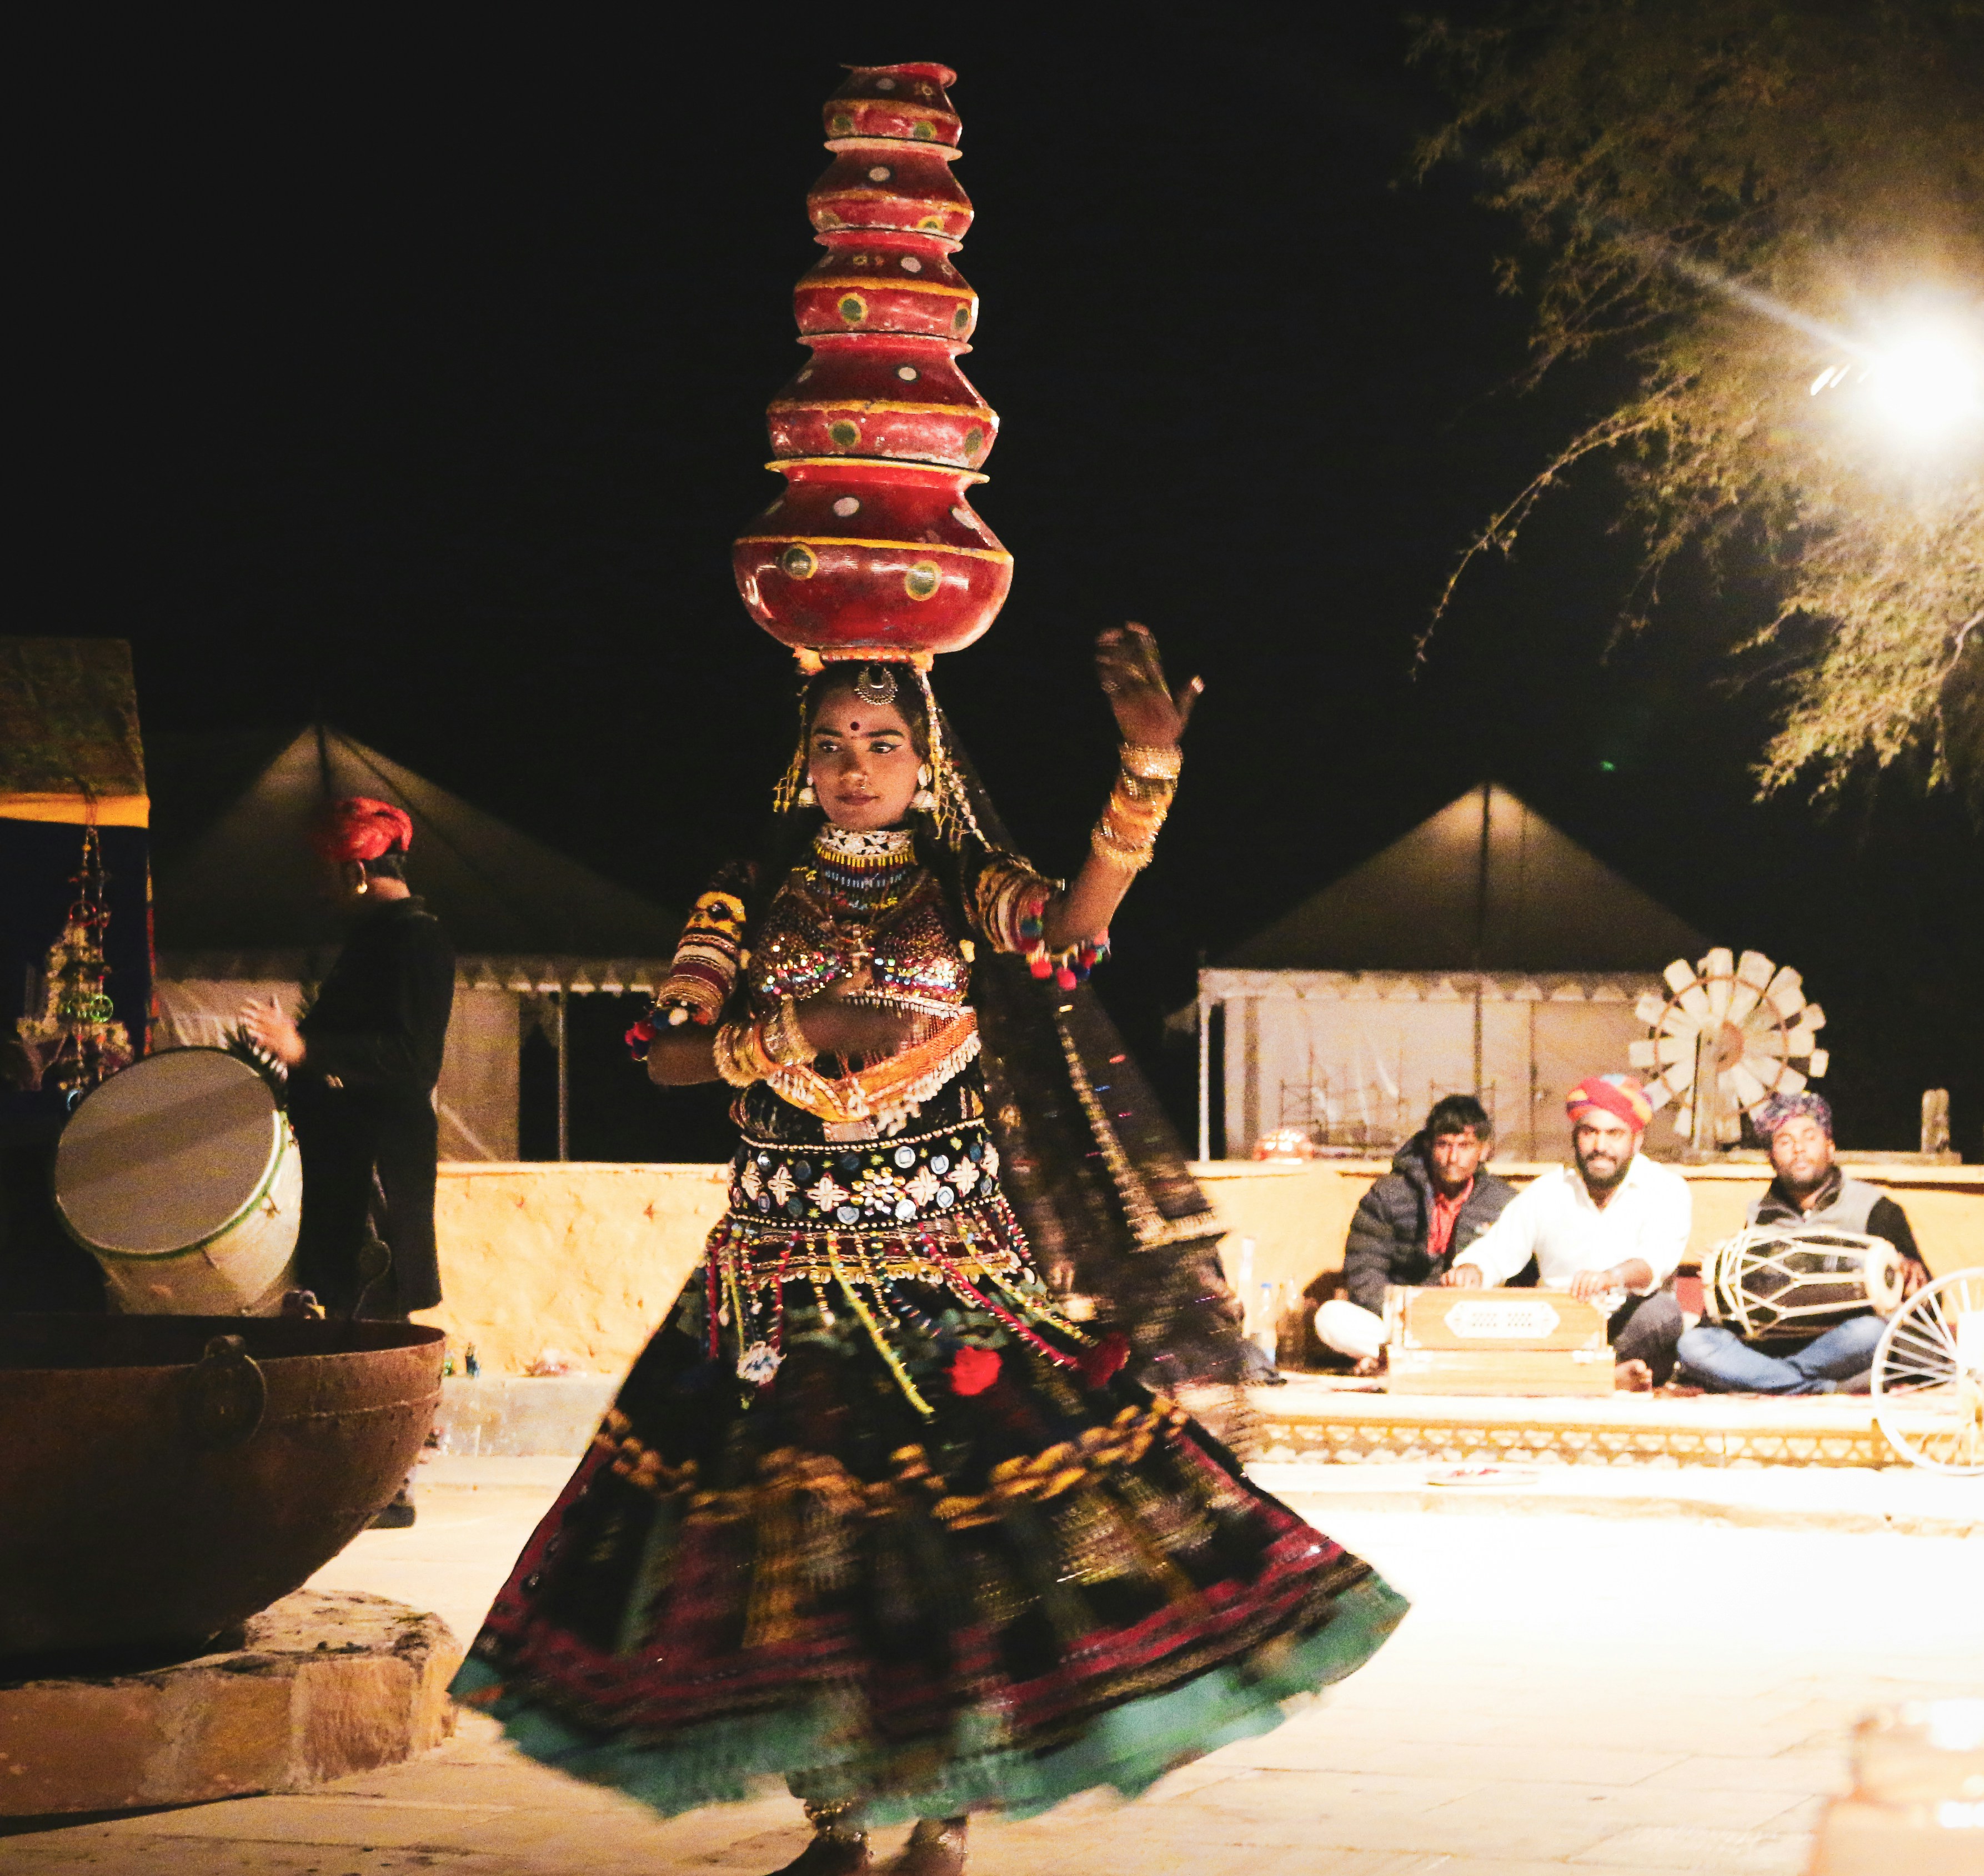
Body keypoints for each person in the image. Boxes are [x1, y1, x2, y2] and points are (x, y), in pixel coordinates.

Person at [450, 630, 1407, 1876]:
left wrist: (1146, 770)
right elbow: (666, 1046)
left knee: (951, 1546)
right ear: (806, 760)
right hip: (778, 1275)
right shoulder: (748, 885)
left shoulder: (965, 880)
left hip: (941, 1270)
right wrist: (801, 1024)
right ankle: (837, 1822)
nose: (858, 765)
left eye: (884, 743)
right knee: (796, 1558)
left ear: (926, 757)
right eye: (835, 744)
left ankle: (943, 1815)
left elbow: (1068, 930)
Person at [1445, 1073, 1687, 1389]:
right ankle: (1600, 1379)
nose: (1601, 1146)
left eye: (1614, 1134)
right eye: (1590, 1132)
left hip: (1626, 1330)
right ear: (1575, 1136)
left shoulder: (1666, 1189)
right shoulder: (1547, 1192)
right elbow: (1498, 1250)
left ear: (1637, 1140)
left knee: (1662, 1315)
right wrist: (1472, 1269)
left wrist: (1611, 1277)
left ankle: (1565, 1378)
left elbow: (1656, 1260)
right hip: (1557, 1330)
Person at [1676, 1093, 1927, 1395]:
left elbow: (1928, 1300)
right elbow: (1737, 1303)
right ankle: (1815, 1387)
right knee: (1694, 1345)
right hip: (1770, 1346)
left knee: (1874, 1332)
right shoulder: (1759, 1215)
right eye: (1784, 1141)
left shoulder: (1876, 1208)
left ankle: (1771, 1381)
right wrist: (1722, 1280)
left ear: (1831, 1149)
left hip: (1842, 1344)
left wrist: (1913, 1279)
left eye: (1810, 1137)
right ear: (1771, 1159)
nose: (1798, 1149)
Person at [1315, 1094, 1516, 1373]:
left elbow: (1520, 1275)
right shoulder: (1388, 1194)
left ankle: (1401, 1361)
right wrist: (1410, 1313)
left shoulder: (1505, 1202)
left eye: (1465, 1146)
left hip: (1473, 1324)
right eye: (1444, 1145)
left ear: (1484, 1150)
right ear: (1428, 1146)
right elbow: (1364, 1271)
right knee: (1331, 1318)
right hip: (1401, 1319)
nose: (1453, 1158)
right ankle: (1418, 1359)